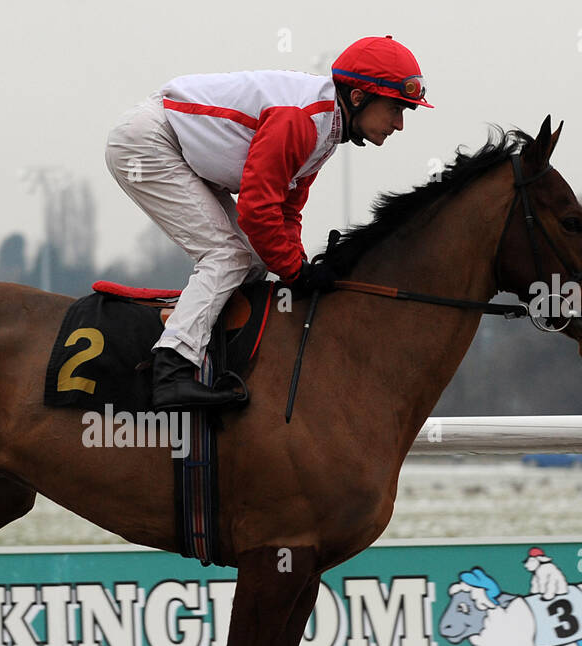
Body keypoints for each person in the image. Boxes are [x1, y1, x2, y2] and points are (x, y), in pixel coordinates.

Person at [105, 35, 432, 411]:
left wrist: (301, 265)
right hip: (147, 143)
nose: (400, 124)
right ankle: (172, 370)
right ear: (358, 97)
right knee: (227, 256)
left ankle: (206, 352)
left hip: (176, 147)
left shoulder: (327, 127)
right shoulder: (302, 120)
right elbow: (258, 211)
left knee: (255, 260)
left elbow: (286, 212)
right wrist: (297, 274)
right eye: (396, 109)